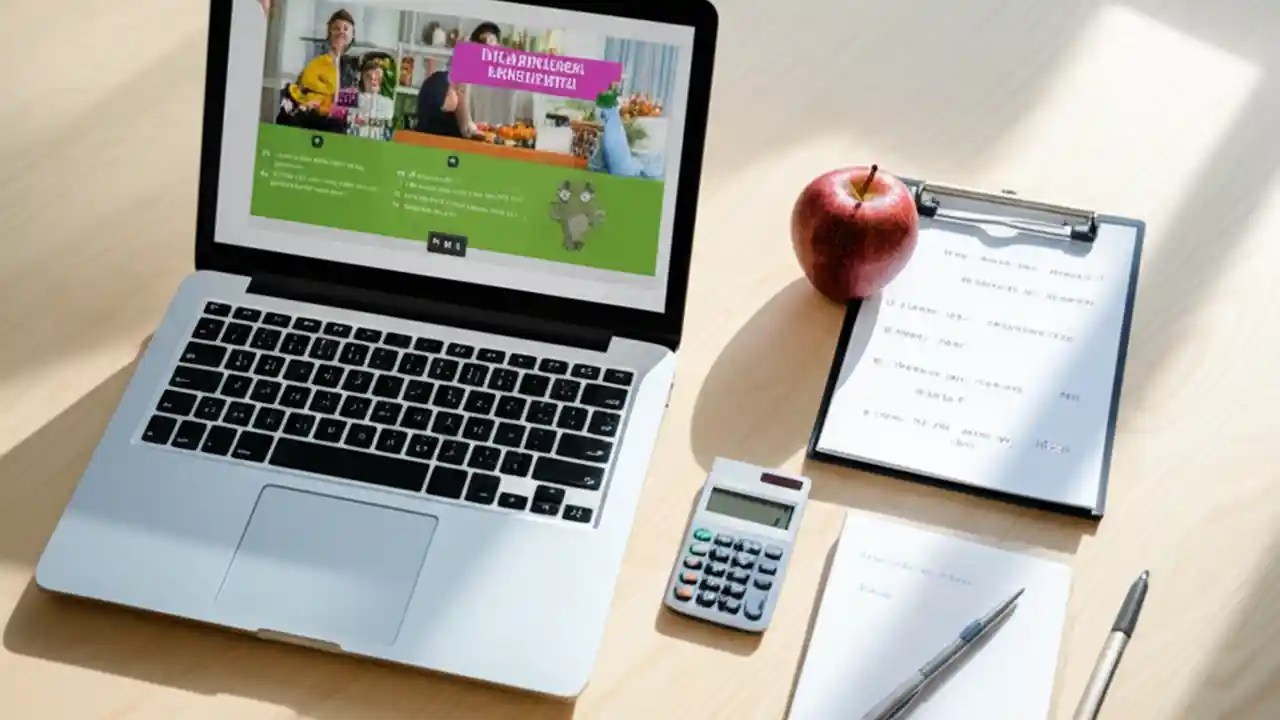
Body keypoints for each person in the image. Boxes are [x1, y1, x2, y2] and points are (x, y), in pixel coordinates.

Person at [414, 22, 501, 138]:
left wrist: (475, 126)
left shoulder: (440, 79)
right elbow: (465, 128)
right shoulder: (458, 79)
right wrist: (474, 129)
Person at [277, 9, 355, 131]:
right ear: (329, 33)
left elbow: (348, 104)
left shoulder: (351, 69)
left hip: (335, 122)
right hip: (311, 116)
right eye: (336, 28)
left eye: (345, 29)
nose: (341, 32)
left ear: (352, 35)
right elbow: (305, 89)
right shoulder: (317, 62)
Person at [347, 57, 395, 141]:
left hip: (378, 143)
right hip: (355, 141)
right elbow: (346, 118)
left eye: (377, 77)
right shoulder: (352, 98)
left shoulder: (388, 103)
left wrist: (366, 120)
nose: (373, 80)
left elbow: (387, 122)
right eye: (368, 76)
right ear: (362, 79)